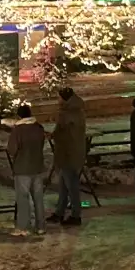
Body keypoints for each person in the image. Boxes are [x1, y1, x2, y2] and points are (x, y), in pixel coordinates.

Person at [7, 104, 47, 236]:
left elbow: (12, 150)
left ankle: (23, 226)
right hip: (37, 167)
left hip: (22, 168)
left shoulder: (18, 130)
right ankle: (41, 226)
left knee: (23, 198)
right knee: (38, 198)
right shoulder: (38, 127)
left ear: (19, 116)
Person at [50, 87, 86, 226]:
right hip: (67, 153)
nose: (57, 100)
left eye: (59, 97)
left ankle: (76, 215)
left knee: (71, 186)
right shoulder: (71, 112)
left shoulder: (70, 114)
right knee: (64, 186)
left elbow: (67, 135)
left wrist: (55, 135)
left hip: (69, 153)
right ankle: (60, 212)